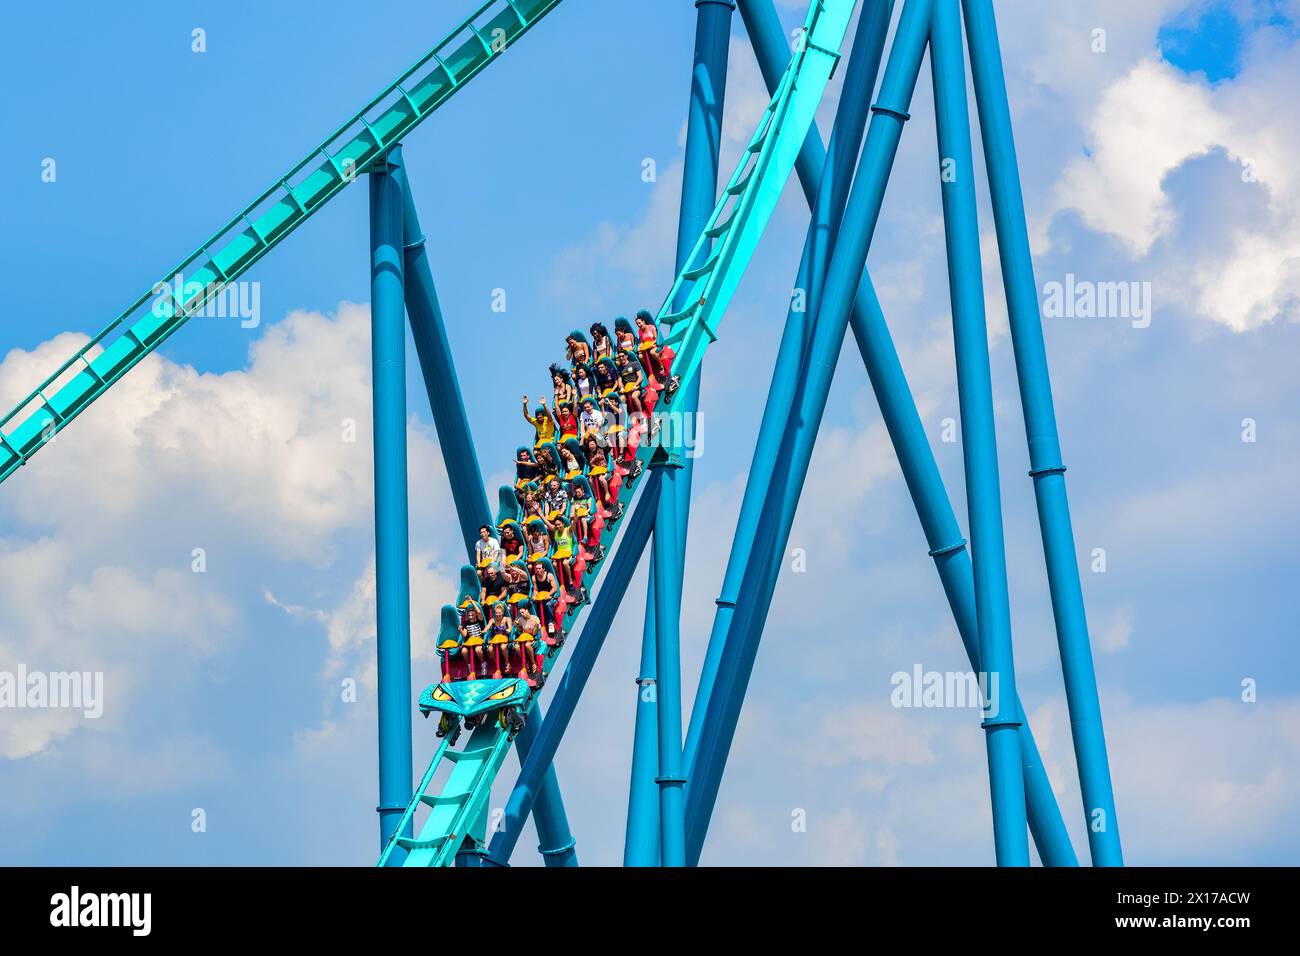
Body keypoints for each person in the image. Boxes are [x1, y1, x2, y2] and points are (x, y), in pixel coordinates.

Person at [634, 309, 674, 391]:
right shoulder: (640, 332)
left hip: (654, 346)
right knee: (640, 356)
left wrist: (652, 344)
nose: (639, 325)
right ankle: (649, 370)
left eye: (639, 323)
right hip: (646, 349)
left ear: (643, 321)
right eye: (637, 324)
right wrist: (640, 347)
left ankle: (661, 365)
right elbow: (641, 342)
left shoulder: (651, 327)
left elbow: (656, 338)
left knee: (653, 352)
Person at [615, 349, 646, 418]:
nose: (621, 358)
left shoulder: (634, 364)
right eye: (619, 357)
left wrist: (635, 385)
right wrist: (621, 387)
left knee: (634, 396)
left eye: (622, 356)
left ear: (626, 356)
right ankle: (626, 418)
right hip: (626, 388)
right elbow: (620, 381)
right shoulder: (619, 369)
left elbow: (640, 377)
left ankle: (641, 414)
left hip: (636, 386)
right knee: (621, 399)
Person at [458, 603, 486, 678]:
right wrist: (461, 630)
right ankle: (470, 664)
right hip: (470, 642)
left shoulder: (480, 621)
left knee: (478, 650)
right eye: (469, 616)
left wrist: (471, 601)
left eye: (472, 615)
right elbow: (464, 635)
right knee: (464, 651)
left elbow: (479, 612)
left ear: (475, 615)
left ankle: (483, 664)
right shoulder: (466, 623)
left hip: (479, 641)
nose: (470, 617)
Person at [512, 604, 542, 674]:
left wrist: (536, 625)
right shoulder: (520, 620)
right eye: (520, 613)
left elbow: (535, 633)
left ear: (527, 610)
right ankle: (525, 661)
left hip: (533, 638)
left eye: (523, 612)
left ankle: (533, 662)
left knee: (527, 645)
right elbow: (519, 630)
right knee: (516, 647)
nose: (521, 614)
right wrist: (516, 626)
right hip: (523, 638)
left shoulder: (535, 618)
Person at [486, 603, 514, 677]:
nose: (498, 614)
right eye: (496, 613)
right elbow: (488, 626)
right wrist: (485, 630)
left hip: (504, 638)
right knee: (490, 649)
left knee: (503, 647)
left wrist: (508, 630)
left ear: (502, 612)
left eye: (499, 612)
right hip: (495, 639)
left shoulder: (507, 619)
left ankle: (507, 663)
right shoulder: (492, 620)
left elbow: (510, 627)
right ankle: (498, 664)